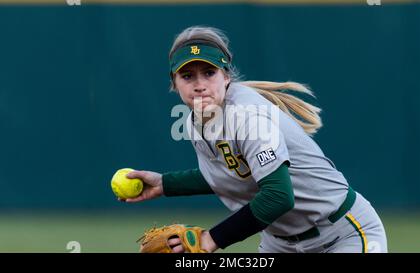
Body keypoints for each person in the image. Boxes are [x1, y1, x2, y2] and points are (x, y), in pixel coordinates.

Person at [123, 26, 388, 253]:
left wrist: (209, 240)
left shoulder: (249, 116)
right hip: (280, 243)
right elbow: (228, 174)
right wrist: (165, 184)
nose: (199, 84)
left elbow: (278, 196)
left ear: (226, 76)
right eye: (187, 76)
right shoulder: (195, 121)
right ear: (174, 83)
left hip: (342, 234)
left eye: (209, 72)